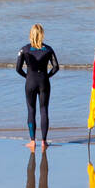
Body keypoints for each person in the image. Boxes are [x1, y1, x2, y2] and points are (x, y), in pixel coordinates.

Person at [15, 23, 59, 151]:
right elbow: (56, 67)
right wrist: (47, 76)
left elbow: (17, 69)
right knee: (44, 110)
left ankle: (33, 141)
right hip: (44, 82)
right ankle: (44, 141)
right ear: (42, 35)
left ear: (30, 34)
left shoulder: (24, 49)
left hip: (30, 82)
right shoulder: (48, 49)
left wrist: (27, 77)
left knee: (31, 110)